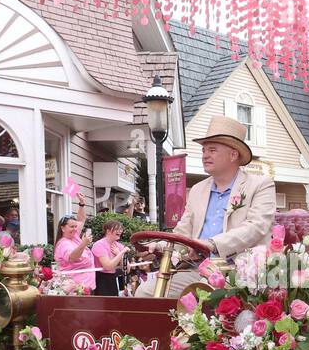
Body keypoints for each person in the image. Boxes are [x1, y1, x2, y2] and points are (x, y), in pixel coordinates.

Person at [135, 115, 275, 298]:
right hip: (198, 270)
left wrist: (211, 244)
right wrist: (158, 246)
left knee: (198, 295)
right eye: (203, 150)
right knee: (144, 292)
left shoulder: (260, 184)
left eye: (212, 150)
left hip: (238, 272)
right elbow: (183, 232)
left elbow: (256, 227)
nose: (205, 155)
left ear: (233, 154)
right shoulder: (198, 190)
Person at [55, 199, 95, 291]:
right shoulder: (63, 243)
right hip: (76, 289)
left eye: (75, 226)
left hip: (87, 287)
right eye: (72, 227)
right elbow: (73, 257)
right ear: (63, 228)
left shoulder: (74, 236)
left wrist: (81, 203)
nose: (75, 229)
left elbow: (81, 219)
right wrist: (83, 244)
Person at [91, 219, 128, 296]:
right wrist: (120, 253)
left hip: (115, 277)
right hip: (101, 278)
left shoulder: (118, 246)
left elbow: (127, 269)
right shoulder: (99, 245)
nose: (120, 231)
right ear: (108, 231)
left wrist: (118, 253)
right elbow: (107, 266)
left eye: (121, 229)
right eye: (116, 229)